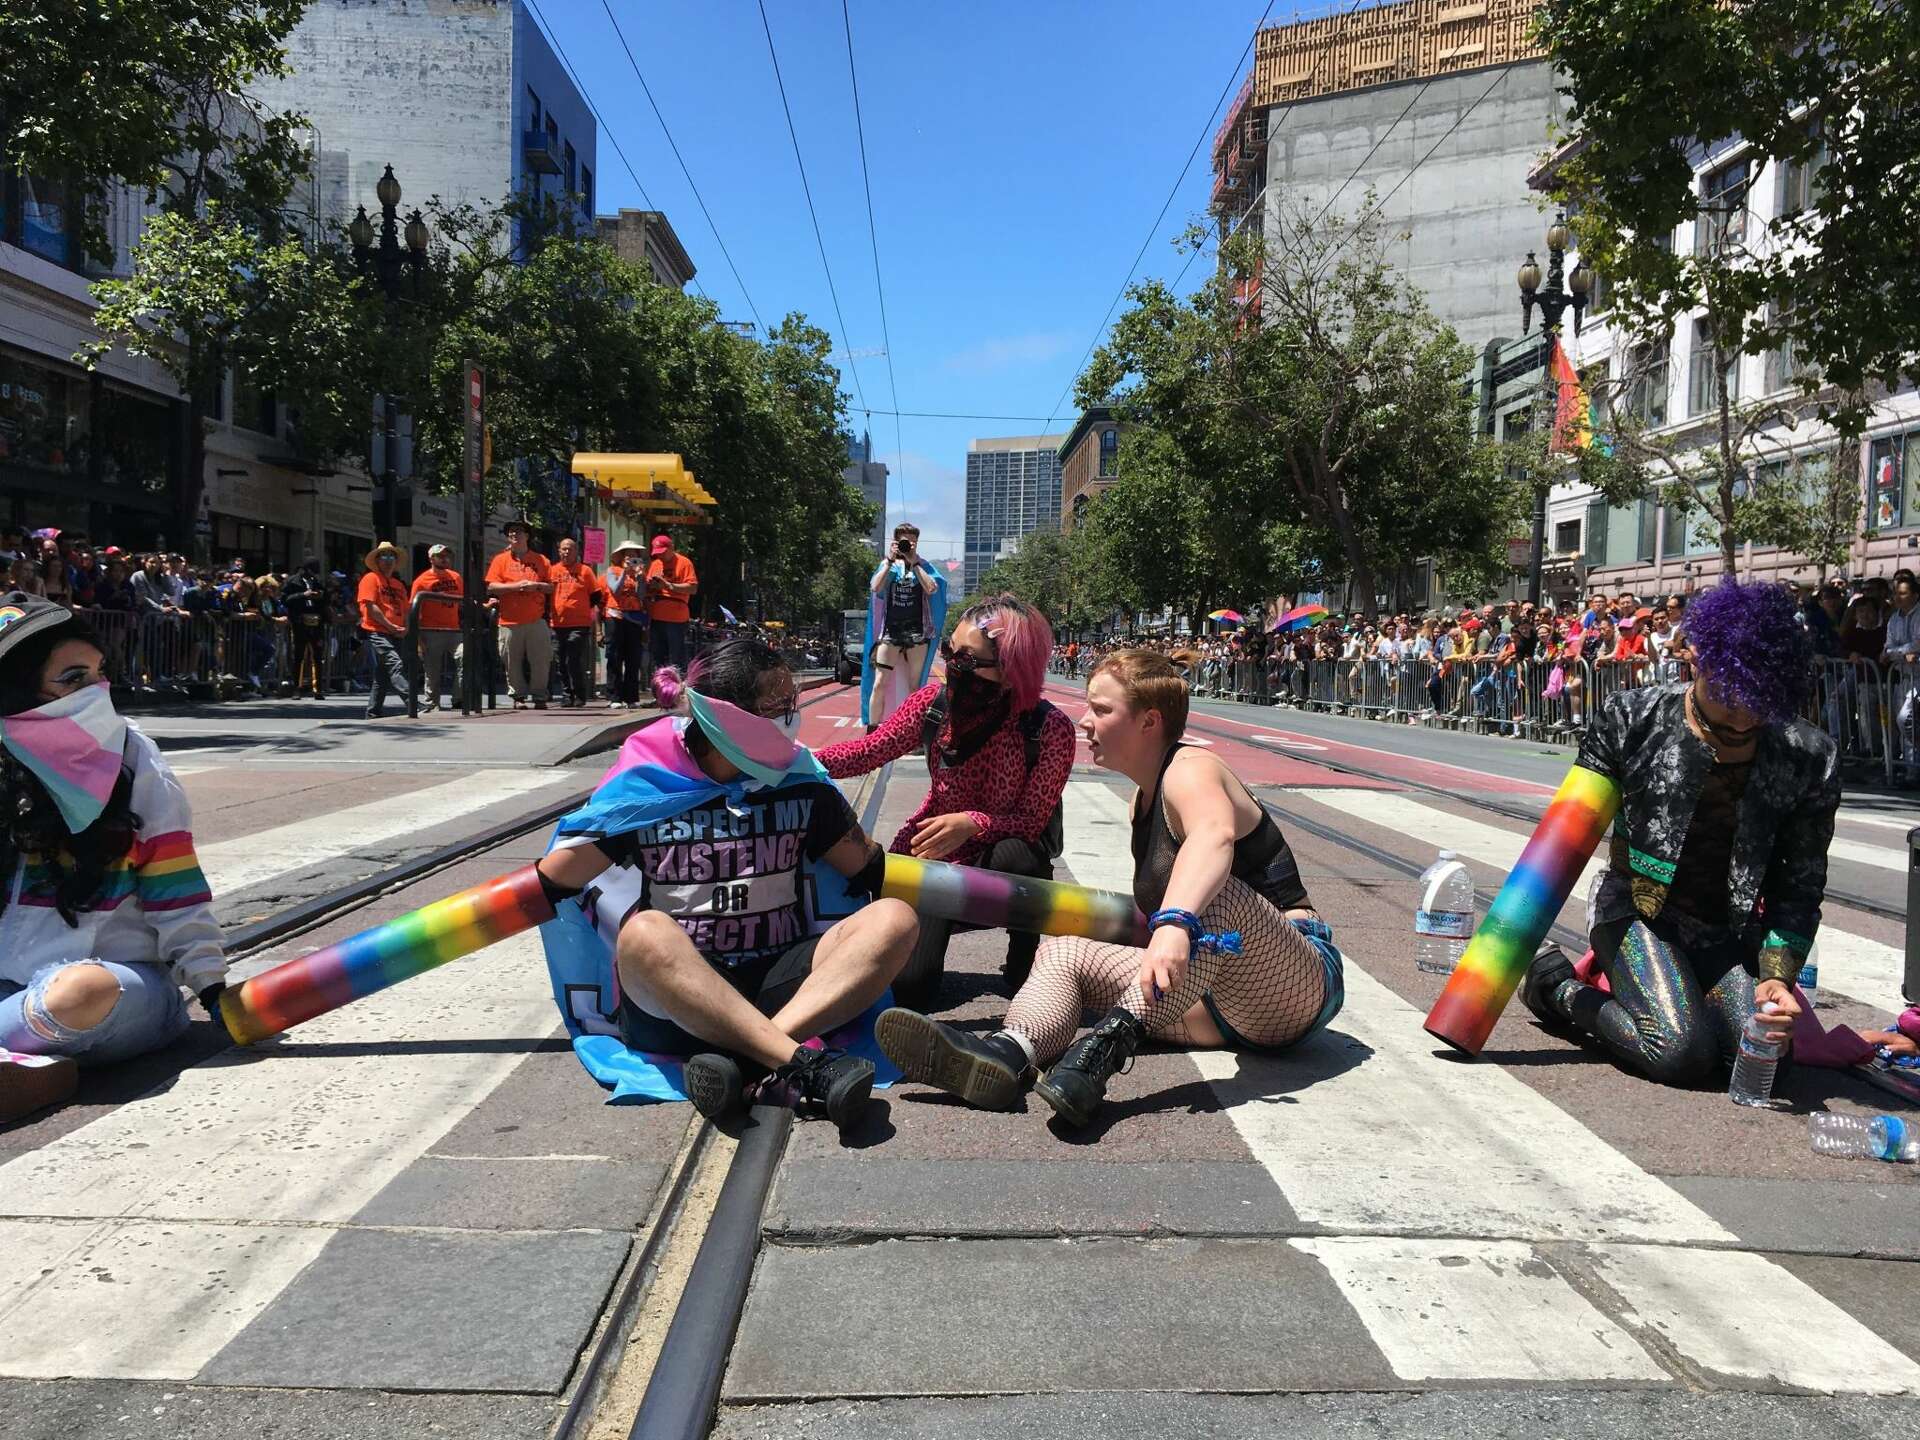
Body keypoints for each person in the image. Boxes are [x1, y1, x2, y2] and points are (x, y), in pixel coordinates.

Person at [875, 648, 1345, 1129]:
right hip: (1213, 1005)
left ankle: (1100, 1051)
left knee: (1215, 898)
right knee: (1064, 953)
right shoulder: (1141, 801)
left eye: (1101, 709)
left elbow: (1213, 837)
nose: (1084, 721)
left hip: (1294, 987)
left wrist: (1176, 924)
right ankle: (1007, 1053)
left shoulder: (1193, 768)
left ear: (1149, 722)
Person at [533, 637, 918, 1131]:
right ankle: (804, 1063)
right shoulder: (646, 789)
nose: (790, 717)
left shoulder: (802, 784)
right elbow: (551, 884)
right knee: (645, 932)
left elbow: (868, 870)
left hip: (784, 987)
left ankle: (754, 1058)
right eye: (778, 706)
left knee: (894, 918)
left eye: (791, 704)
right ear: (730, 718)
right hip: (678, 1003)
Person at [1521, 582, 1838, 1087]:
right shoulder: (1631, 717)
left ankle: (1686, 1001)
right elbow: (1560, 847)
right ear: (1696, 658)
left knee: (1767, 1062)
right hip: (1635, 912)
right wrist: (1499, 956)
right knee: (1680, 1053)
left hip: (1725, 929)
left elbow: (1800, 882)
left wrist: (1777, 976)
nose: (1742, 713)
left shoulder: (1809, 755)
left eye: (1757, 697)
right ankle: (1556, 989)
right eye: (1728, 692)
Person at [0, 595, 225, 1110]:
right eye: (73, 678)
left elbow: (176, 888)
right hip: (8, 986)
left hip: (117, 990)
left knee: (79, 992)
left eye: (98, 674)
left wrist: (211, 986)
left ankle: (19, 1055)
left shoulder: (132, 756)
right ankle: (25, 1064)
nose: (97, 692)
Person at [818, 595, 1073, 1000]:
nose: (953, 666)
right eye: (950, 651)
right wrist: (797, 762)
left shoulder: (1048, 728)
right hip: (932, 856)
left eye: (968, 659)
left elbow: (1031, 821)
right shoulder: (933, 705)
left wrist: (973, 822)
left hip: (997, 856)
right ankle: (931, 927)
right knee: (912, 989)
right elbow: (869, 751)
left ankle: (1024, 955)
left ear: (1012, 670)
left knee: (1024, 854)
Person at [863, 523, 941, 726]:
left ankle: (912, 732)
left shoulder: (923, 566)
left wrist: (914, 563)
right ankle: (873, 731)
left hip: (917, 632)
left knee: (915, 686)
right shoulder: (888, 565)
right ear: (896, 542)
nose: (908, 545)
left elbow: (932, 588)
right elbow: (875, 587)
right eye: (904, 541)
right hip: (890, 632)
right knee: (879, 682)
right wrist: (890, 560)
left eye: (912, 541)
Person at [486, 520, 553, 710]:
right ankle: (518, 696)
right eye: (511, 532)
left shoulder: (542, 560)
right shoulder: (500, 560)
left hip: (535, 620)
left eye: (519, 531)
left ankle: (540, 696)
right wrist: (515, 587)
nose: (515, 535)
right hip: (509, 621)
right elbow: (492, 586)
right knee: (511, 662)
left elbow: (551, 586)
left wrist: (536, 586)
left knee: (541, 660)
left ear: (527, 536)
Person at [356, 541, 412, 719]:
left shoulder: (398, 584)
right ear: (377, 560)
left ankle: (373, 712)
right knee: (396, 664)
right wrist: (390, 626)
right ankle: (413, 702)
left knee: (382, 675)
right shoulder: (370, 579)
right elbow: (371, 607)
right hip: (378, 631)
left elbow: (406, 609)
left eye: (391, 556)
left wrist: (406, 627)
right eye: (384, 556)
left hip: (395, 632)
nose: (388, 560)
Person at [410, 543, 464, 712]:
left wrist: (482, 606)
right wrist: (418, 640)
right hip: (430, 631)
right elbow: (413, 611)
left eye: (447, 555)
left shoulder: (456, 577)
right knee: (432, 669)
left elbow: (463, 601)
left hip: (454, 630)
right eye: (440, 556)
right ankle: (432, 703)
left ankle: (459, 699)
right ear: (431, 558)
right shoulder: (421, 581)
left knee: (465, 656)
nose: (445, 558)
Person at [549, 536, 601, 708]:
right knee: (560, 661)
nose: (566, 552)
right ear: (559, 551)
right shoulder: (552, 570)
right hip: (557, 623)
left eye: (570, 548)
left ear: (577, 551)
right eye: (563, 548)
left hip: (579, 624)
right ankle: (566, 695)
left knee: (573, 657)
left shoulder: (585, 571)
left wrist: (580, 608)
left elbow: (596, 596)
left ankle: (579, 694)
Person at [602, 540, 649, 710]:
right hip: (615, 617)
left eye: (634, 555)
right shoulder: (612, 571)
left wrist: (640, 578)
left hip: (634, 619)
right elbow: (614, 589)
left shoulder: (639, 573)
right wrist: (624, 572)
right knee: (614, 657)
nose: (631, 558)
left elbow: (641, 595)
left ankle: (631, 697)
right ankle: (614, 695)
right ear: (621, 556)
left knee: (633, 658)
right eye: (628, 554)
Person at [645, 531, 698, 681]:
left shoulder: (684, 562)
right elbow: (648, 590)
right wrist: (651, 585)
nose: (660, 556)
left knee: (677, 657)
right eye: (657, 553)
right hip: (656, 616)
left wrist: (669, 585)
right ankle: (661, 691)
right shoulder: (655, 564)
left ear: (671, 548)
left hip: (676, 618)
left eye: (663, 552)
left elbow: (693, 588)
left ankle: (678, 691)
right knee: (658, 658)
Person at [282, 557, 332, 698]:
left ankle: (318, 689)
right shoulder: (292, 581)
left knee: (317, 656)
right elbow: (285, 599)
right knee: (299, 656)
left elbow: (327, 599)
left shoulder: (317, 582)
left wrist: (321, 596)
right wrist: (303, 595)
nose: (313, 574)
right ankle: (297, 688)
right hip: (299, 623)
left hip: (316, 623)